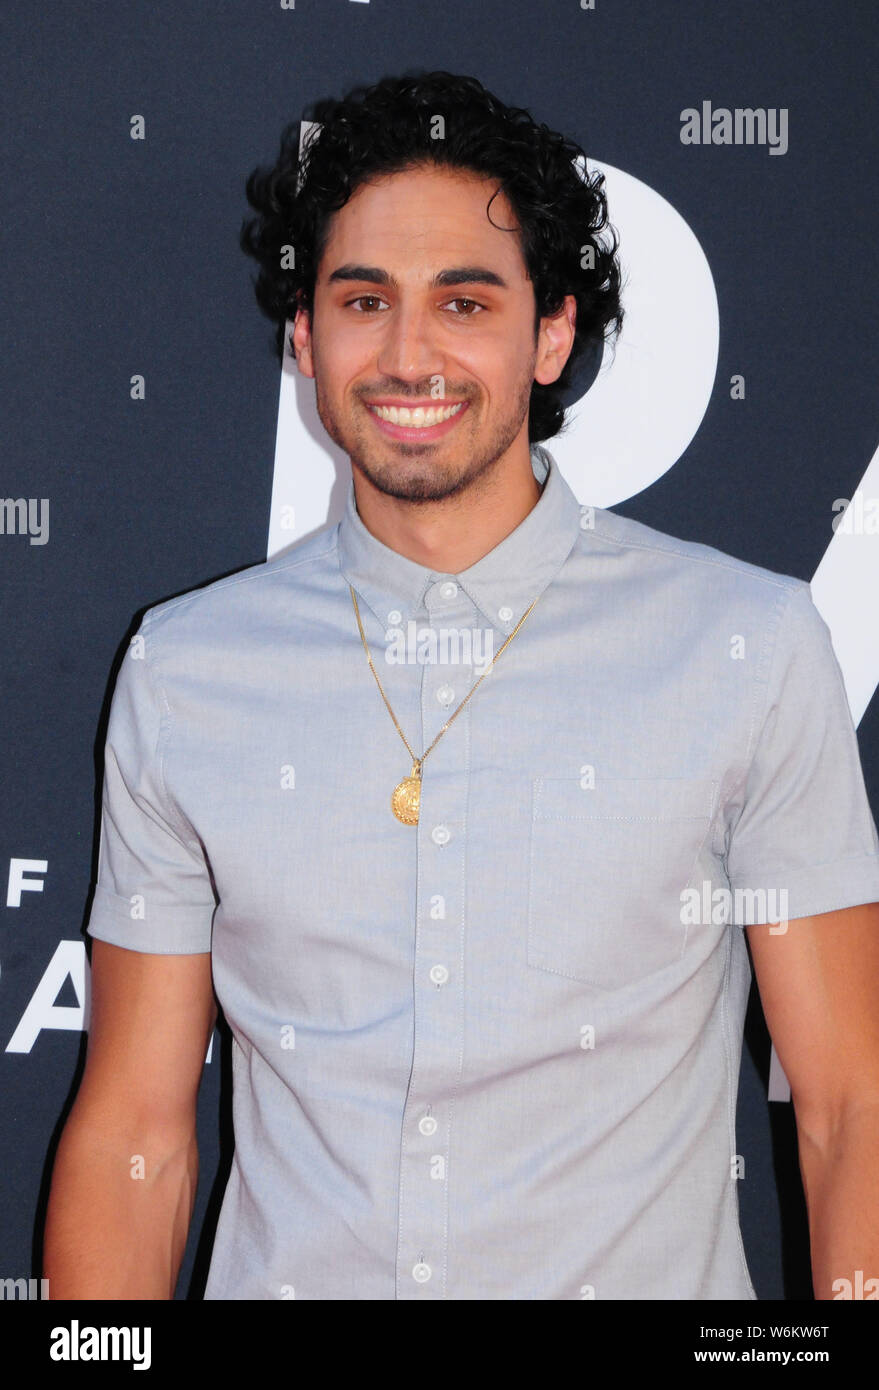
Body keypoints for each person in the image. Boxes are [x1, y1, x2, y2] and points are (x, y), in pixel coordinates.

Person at [44, 71, 879, 1301]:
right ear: (304, 336)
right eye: (363, 299)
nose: (410, 353)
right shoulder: (187, 670)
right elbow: (136, 1135)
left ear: (551, 336)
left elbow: (849, 1103)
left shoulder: (745, 645)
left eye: (465, 301)